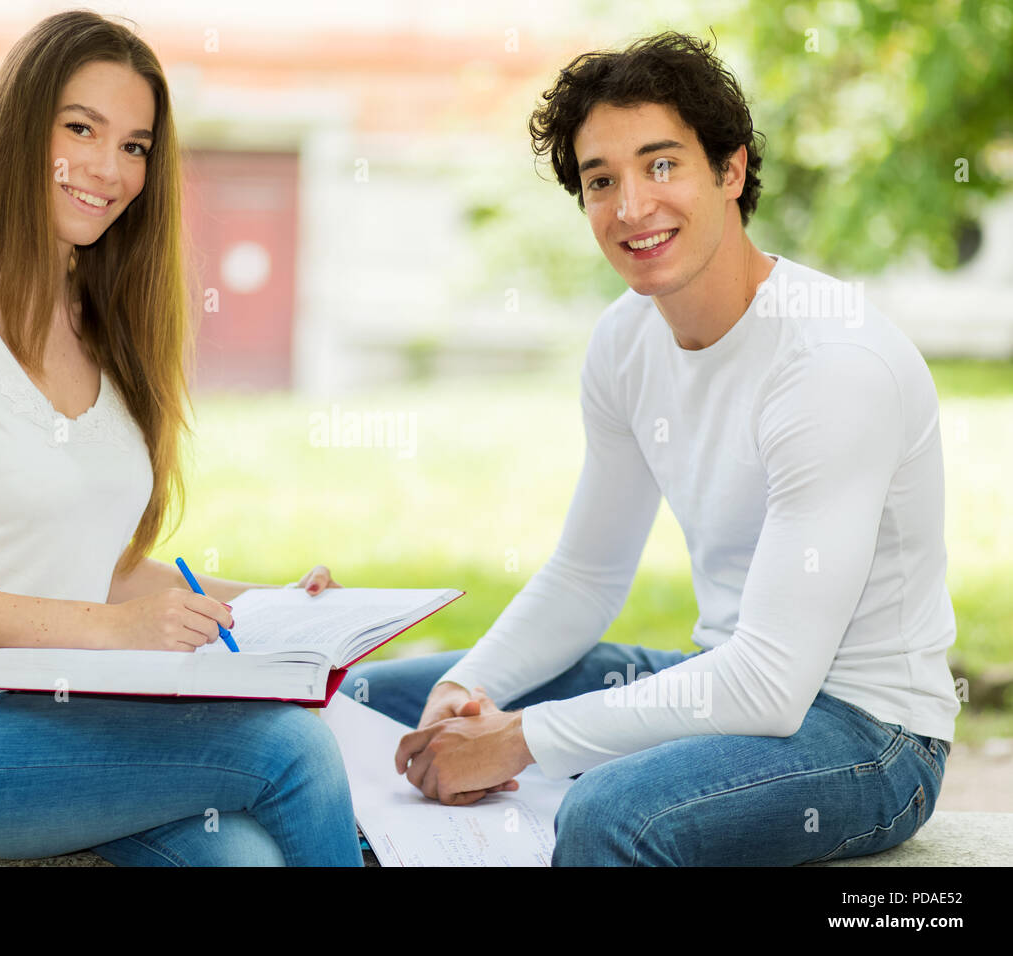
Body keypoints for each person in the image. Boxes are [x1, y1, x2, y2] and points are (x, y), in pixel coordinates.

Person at [341, 31, 958, 866]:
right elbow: (586, 576)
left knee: (608, 815)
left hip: (866, 732)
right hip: (725, 672)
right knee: (376, 697)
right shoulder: (627, 340)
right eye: (602, 180)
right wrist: (465, 696)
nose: (631, 206)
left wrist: (518, 739)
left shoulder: (832, 366)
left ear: (730, 171)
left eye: (661, 165)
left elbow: (772, 688)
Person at [0, 10, 362, 866]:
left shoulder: (104, 331)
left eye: (134, 145)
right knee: (287, 749)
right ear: (21, 131)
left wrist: (280, 607)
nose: (108, 168)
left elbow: (105, 568)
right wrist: (116, 632)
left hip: (75, 713)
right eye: (80, 128)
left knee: (243, 859)